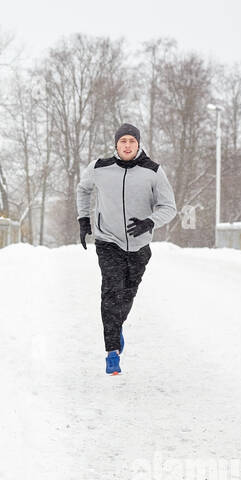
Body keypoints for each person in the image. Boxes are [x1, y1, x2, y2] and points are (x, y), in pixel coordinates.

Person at [75, 123, 177, 376]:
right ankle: (112, 352)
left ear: (138, 144)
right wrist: (84, 221)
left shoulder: (153, 171)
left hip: (139, 245)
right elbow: (83, 189)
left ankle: (116, 326)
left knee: (126, 296)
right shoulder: (100, 167)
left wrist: (150, 222)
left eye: (132, 141)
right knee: (111, 292)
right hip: (108, 241)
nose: (128, 145)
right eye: (123, 141)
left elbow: (169, 207)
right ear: (116, 144)